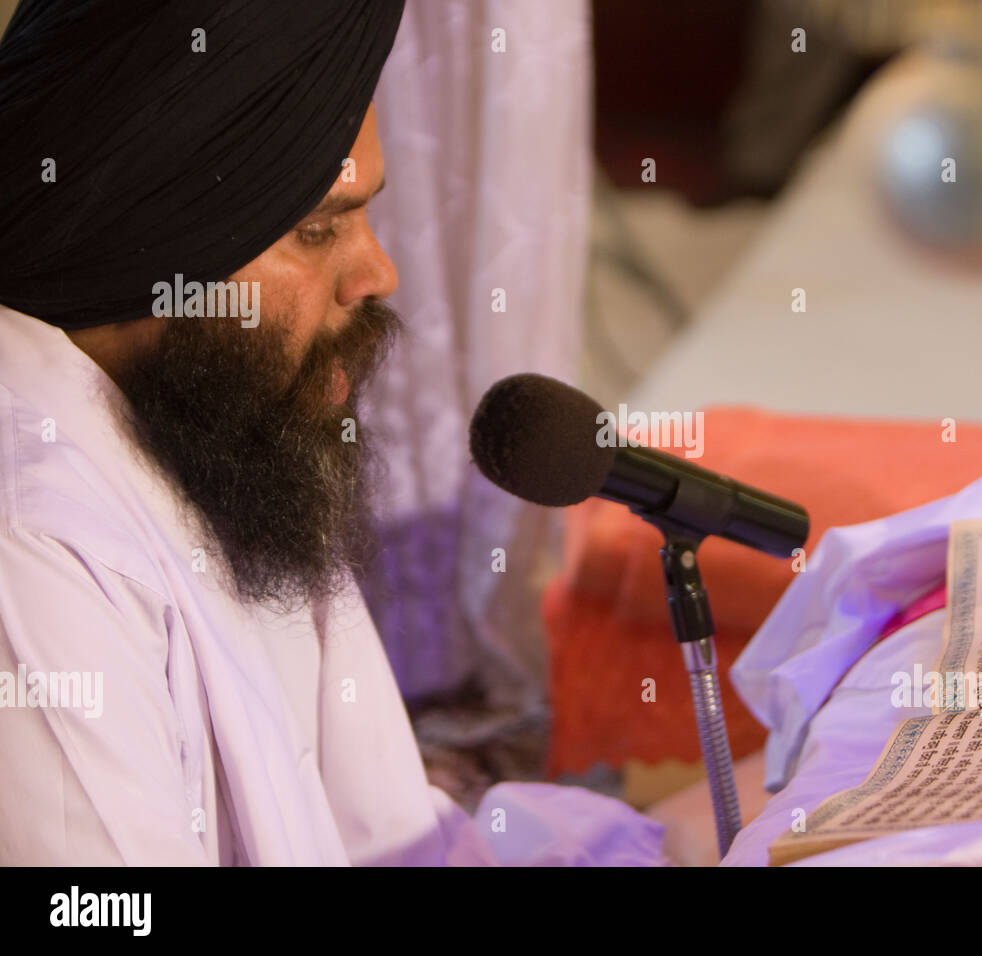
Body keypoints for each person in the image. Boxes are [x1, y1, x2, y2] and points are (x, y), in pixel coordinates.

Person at [0, 0, 667, 866]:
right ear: (149, 249)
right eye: (319, 230)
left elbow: (392, 842)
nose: (377, 273)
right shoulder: (35, 551)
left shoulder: (225, 429)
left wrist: (676, 841)